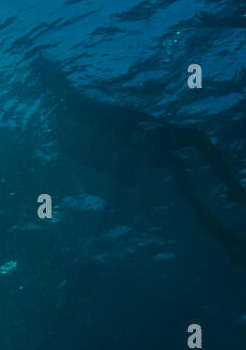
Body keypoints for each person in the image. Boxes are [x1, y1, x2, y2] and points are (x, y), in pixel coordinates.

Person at [33, 56, 246, 265]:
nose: (62, 77)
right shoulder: (68, 109)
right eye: (55, 74)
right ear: (52, 80)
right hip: (139, 140)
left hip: (137, 142)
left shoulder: (66, 109)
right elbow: (97, 140)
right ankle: (227, 195)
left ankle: (207, 216)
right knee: (195, 140)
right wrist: (132, 150)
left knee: (176, 163)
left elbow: (95, 141)